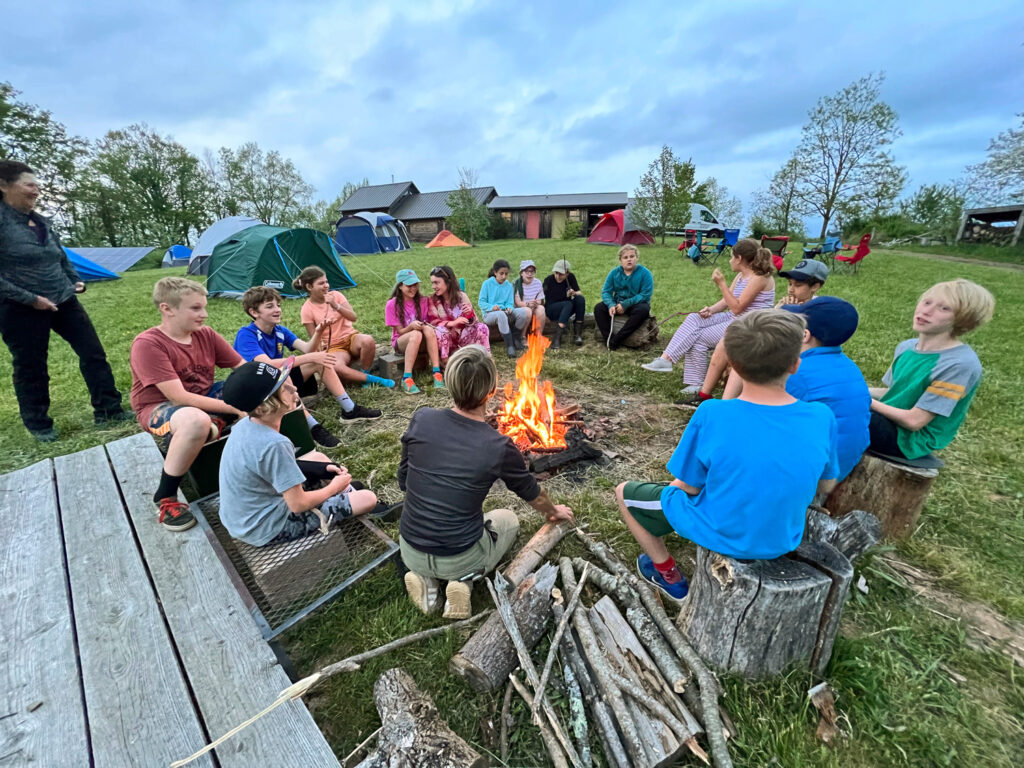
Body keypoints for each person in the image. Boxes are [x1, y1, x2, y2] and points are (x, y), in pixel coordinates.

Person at [616, 310, 839, 601]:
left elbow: (688, 486)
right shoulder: (822, 416)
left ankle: (667, 574)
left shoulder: (713, 413)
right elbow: (826, 486)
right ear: (796, 364)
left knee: (624, 492)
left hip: (722, 532)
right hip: (782, 537)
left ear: (732, 364)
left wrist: (666, 506)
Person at [398, 345, 574, 619]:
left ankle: (425, 578)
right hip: (460, 556)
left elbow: (404, 480)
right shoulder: (498, 445)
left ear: (448, 381)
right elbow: (531, 493)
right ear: (491, 391)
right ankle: (463, 580)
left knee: (452, 529)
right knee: (506, 519)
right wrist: (555, 512)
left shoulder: (422, 418)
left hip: (409, 546)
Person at [0, 160, 128, 441]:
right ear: (4, 186)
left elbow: (59, 255)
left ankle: (108, 409)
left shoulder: (40, 221)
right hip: (20, 306)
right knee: (31, 365)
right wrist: (30, 299)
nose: (36, 190)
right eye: (29, 184)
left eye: (37, 184)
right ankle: (39, 424)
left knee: (92, 353)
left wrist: (73, 279)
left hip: (63, 298)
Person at [217, 359, 385, 546]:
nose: (294, 390)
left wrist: (319, 469)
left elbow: (269, 467)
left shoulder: (245, 426)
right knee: (367, 498)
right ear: (264, 407)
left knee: (318, 458)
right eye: (283, 389)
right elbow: (297, 505)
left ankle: (349, 492)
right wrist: (334, 488)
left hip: (244, 517)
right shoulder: (274, 443)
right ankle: (366, 505)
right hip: (267, 527)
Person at [129, 277, 245, 532]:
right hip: (161, 407)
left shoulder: (205, 334)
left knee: (252, 388)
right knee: (195, 421)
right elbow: (179, 397)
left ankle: (227, 436)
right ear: (167, 309)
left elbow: (242, 368)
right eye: (195, 308)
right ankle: (166, 496)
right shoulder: (148, 344)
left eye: (204, 307)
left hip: (204, 396)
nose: (204, 314)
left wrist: (273, 384)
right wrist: (236, 408)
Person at [233, 286, 381, 444]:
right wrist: (311, 356)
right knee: (284, 377)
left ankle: (350, 409)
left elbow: (306, 349)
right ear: (254, 312)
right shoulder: (246, 334)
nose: (277, 310)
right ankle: (313, 428)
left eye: (278, 305)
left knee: (317, 361)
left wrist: (318, 332)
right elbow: (267, 365)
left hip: (280, 379)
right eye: (270, 306)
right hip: (259, 391)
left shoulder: (279, 330)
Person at [868, 279, 995, 460]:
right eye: (927, 302)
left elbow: (914, 421)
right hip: (887, 419)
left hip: (908, 439)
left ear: (964, 319)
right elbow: (892, 392)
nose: (926, 311)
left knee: (838, 413)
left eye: (944, 308)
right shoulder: (907, 347)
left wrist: (863, 400)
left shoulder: (959, 364)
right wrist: (851, 389)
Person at [684, 257, 830, 406]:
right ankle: (704, 394)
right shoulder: (785, 302)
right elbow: (766, 327)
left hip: (789, 358)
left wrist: (792, 313)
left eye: (798, 285)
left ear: (815, 286)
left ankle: (726, 406)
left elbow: (802, 343)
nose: (791, 289)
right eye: (790, 284)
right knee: (727, 341)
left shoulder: (817, 310)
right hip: (770, 347)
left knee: (746, 356)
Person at [642, 238, 774, 396]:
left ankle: (696, 382)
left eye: (732, 257)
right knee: (693, 318)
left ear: (739, 259)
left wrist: (722, 285)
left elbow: (738, 307)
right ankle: (666, 359)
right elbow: (727, 301)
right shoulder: (741, 276)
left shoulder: (759, 278)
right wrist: (710, 310)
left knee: (699, 337)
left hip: (747, 325)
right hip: (732, 317)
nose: (730, 261)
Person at [775, 297, 870, 481]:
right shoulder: (850, 367)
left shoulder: (797, 373)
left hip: (806, 476)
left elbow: (769, 422)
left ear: (804, 335)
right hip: (840, 468)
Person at [296, 266, 392, 389]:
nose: (326, 285)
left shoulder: (336, 295)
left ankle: (365, 373)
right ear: (310, 287)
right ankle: (374, 379)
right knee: (337, 367)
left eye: (326, 281)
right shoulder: (307, 309)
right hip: (333, 347)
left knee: (367, 340)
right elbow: (314, 339)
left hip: (350, 338)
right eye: (321, 283)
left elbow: (353, 317)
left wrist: (335, 305)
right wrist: (322, 355)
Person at [385, 269, 444, 394]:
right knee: (415, 334)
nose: (413, 288)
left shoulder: (423, 301)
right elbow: (400, 331)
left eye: (415, 285)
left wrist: (424, 325)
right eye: (408, 285)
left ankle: (436, 371)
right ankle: (407, 378)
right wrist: (411, 326)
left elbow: (428, 321)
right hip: (401, 342)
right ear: (400, 286)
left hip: (421, 340)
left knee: (428, 329)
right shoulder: (392, 304)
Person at [594, 244, 653, 350]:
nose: (629, 260)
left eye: (632, 256)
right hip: (617, 303)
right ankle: (609, 339)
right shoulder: (614, 273)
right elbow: (606, 292)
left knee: (644, 310)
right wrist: (611, 304)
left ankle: (618, 339)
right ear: (620, 260)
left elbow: (645, 294)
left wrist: (626, 304)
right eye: (625, 257)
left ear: (637, 258)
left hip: (635, 304)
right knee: (599, 308)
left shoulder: (645, 273)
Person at [426, 265, 490, 360]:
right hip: (446, 341)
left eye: (436, 283)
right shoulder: (432, 300)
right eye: (432, 283)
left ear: (448, 282)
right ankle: (445, 363)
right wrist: (453, 323)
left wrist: (470, 315)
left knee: (482, 327)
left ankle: (486, 359)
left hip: (463, 338)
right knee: (441, 331)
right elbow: (433, 323)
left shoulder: (461, 296)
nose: (433, 287)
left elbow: (475, 322)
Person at [478, 259, 530, 358]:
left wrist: (509, 308)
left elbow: (510, 302)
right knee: (501, 315)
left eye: (506, 274)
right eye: (501, 273)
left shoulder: (509, 285)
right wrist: (492, 307)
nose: (504, 276)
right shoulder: (487, 284)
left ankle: (516, 338)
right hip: (489, 314)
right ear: (495, 272)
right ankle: (510, 345)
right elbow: (481, 302)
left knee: (523, 313)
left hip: (505, 312)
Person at [542, 259, 586, 348]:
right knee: (568, 303)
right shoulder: (548, 280)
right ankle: (557, 338)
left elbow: (579, 293)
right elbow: (542, 298)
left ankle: (577, 334)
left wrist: (573, 293)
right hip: (552, 309)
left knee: (580, 299)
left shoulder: (570, 278)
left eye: (561, 274)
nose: (558, 276)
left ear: (567, 273)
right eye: (556, 273)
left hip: (566, 308)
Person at [513, 259, 546, 344]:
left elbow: (540, 300)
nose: (530, 274)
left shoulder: (537, 282)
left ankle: (538, 335)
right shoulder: (517, 284)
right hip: (522, 307)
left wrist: (536, 303)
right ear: (521, 273)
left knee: (541, 308)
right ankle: (523, 336)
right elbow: (518, 303)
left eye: (532, 271)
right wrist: (528, 304)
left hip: (534, 306)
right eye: (527, 271)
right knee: (527, 311)